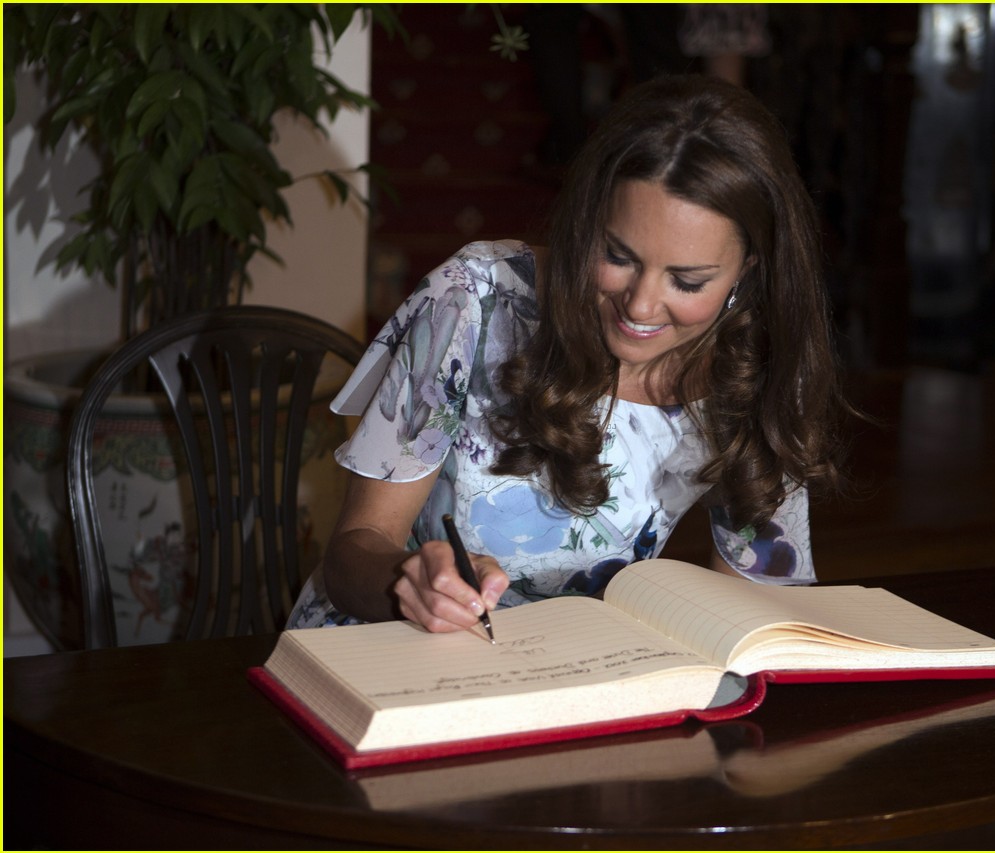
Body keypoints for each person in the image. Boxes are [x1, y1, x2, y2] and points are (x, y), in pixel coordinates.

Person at [287, 74, 851, 633]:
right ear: (588, 219)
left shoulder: (757, 362)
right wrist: (409, 584)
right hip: (386, 645)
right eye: (617, 256)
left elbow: (759, 594)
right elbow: (351, 556)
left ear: (747, 267)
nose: (641, 305)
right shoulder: (474, 301)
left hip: (575, 666)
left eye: (687, 281)